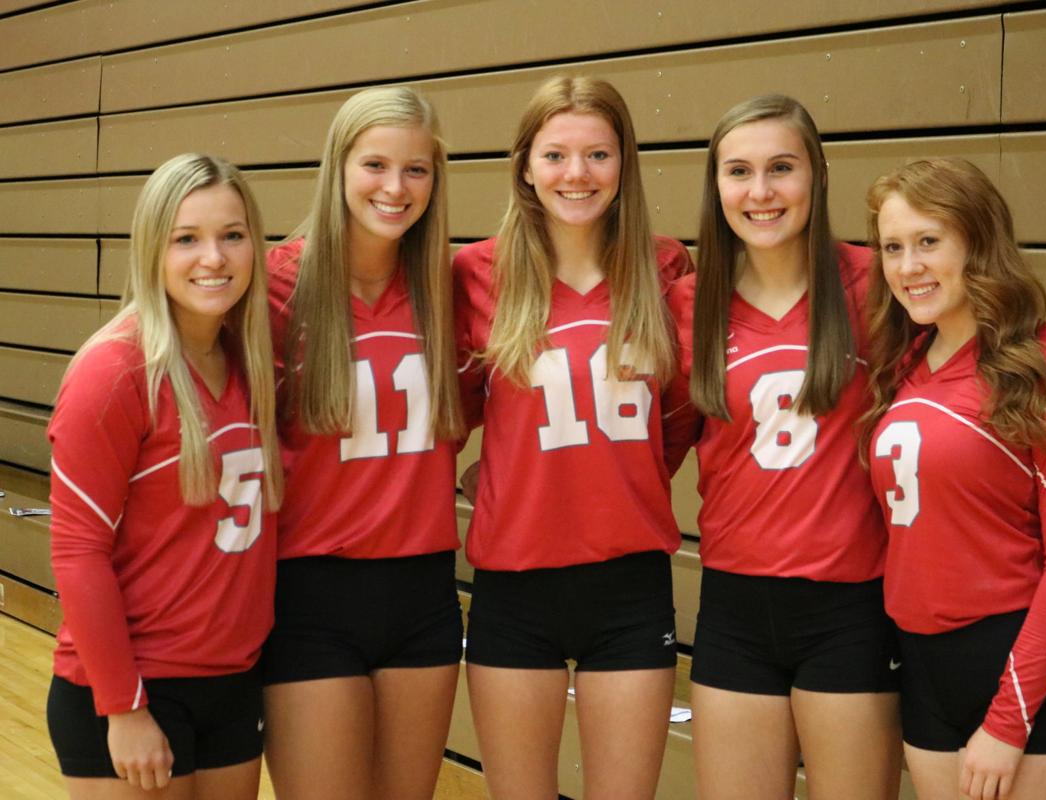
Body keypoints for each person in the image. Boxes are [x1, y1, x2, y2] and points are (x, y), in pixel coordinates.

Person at [453, 75, 692, 800]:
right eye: (555, 155)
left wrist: (611, 474)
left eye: (598, 154)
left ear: (624, 164)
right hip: (515, 584)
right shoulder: (476, 273)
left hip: (629, 586)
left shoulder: (665, 267)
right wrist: (501, 474)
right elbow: (450, 414)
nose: (577, 174)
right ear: (525, 166)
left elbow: (678, 418)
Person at [664, 94, 901, 800]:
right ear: (716, 186)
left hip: (852, 607)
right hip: (734, 607)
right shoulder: (689, 303)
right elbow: (648, 451)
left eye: (781, 168)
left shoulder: (879, 288)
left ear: (818, 176)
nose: (760, 191)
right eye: (739, 171)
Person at [862, 157, 1046, 800]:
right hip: (924, 669)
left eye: (928, 241)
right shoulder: (900, 366)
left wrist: (1008, 722)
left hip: (1022, 671)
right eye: (892, 247)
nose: (908, 267)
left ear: (978, 241)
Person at [46, 153, 283, 799]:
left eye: (232, 235)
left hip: (231, 683)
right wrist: (123, 708)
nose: (214, 257)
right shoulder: (114, 372)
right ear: (153, 247)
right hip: (135, 687)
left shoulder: (250, 361)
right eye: (187, 239)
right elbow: (77, 552)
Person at [261, 87, 464, 800]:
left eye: (416, 169)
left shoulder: (450, 288)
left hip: (424, 593)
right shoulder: (275, 289)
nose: (395, 187)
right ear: (338, 167)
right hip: (311, 594)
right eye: (375, 164)